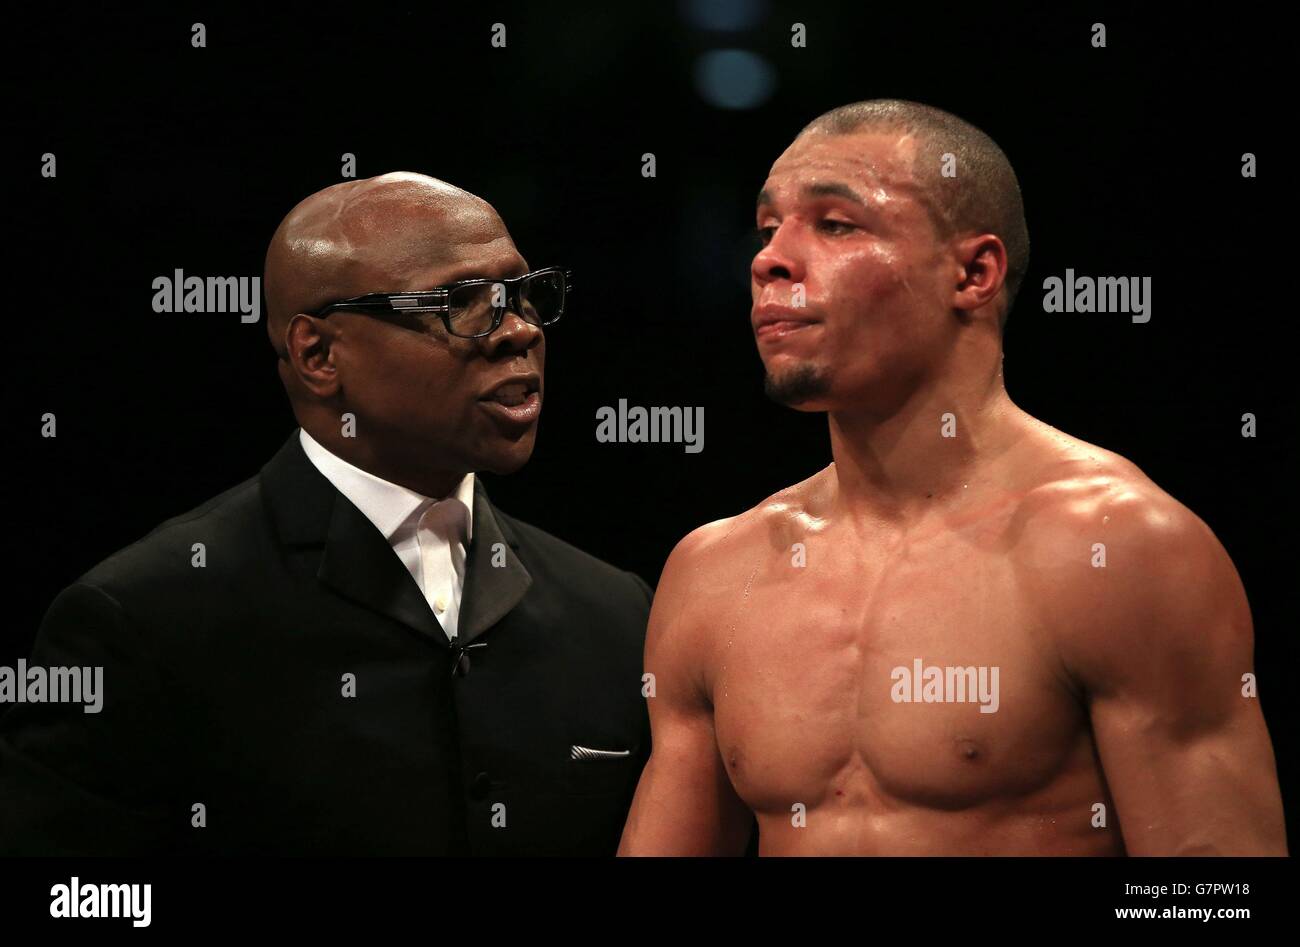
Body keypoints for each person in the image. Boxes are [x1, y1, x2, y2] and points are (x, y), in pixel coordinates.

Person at [618, 100, 1287, 856]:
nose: (770, 259)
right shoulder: (714, 573)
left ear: (973, 273)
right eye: (769, 228)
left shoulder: (1121, 548)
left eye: (835, 224)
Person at [0, 172, 652, 855]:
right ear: (318, 354)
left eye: (525, 295)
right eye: (463, 302)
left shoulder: (614, 612)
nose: (518, 331)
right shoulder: (143, 616)